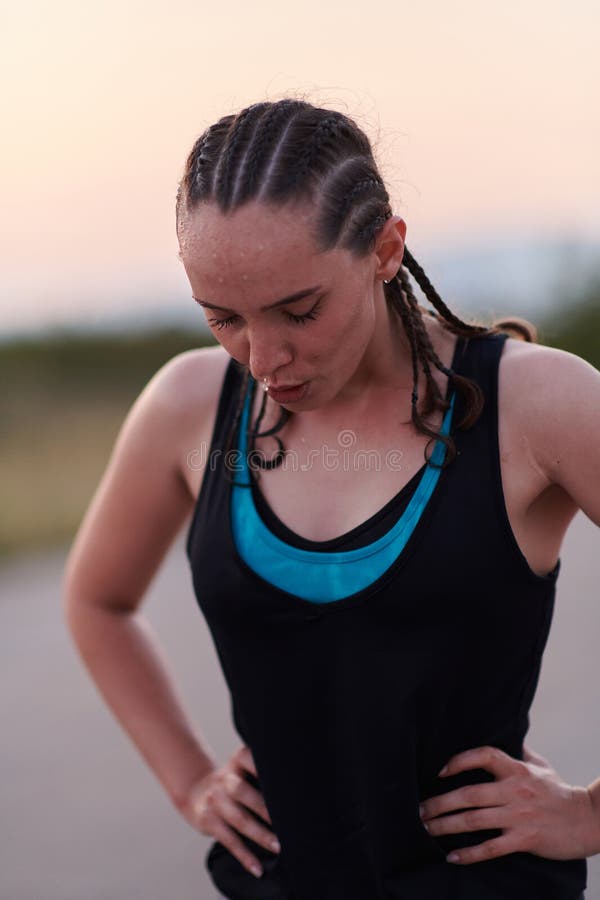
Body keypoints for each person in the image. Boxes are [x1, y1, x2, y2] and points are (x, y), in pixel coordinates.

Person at [63, 97, 600, 900]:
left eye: (299, 310)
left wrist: (592, 813)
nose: (264, 355)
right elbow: (97, 601)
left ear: (385, 249)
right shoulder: (190, 408)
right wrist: (189, 782)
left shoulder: (537, 402)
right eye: (223, 319)